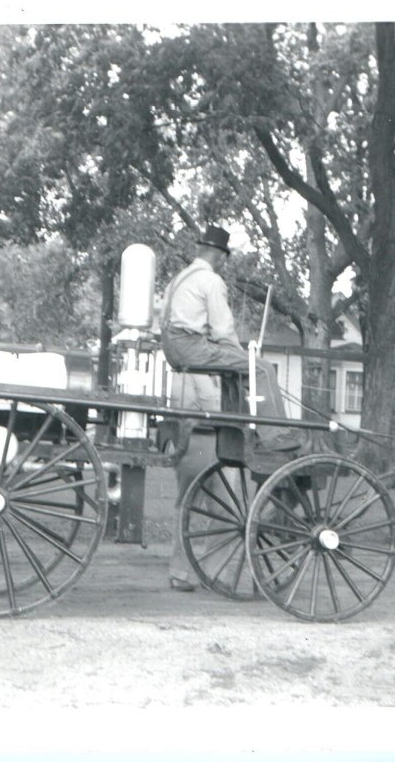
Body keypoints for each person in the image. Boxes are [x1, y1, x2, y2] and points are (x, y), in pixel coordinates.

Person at [161, 225, 299, 452]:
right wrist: (246, 358)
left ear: (200, 250)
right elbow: (223, 332)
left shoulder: (179, 278)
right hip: (189, 347)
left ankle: (234, 428)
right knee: (262, 370)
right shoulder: (211, 281)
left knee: (234, 368)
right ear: (222, 258)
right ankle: (275, 436)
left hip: (171, 348)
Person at [167, 370, 220, 592]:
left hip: (226, 443)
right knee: (187, 506)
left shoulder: (224, 368)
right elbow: (183, 412)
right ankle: (180, 573)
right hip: (196, 442)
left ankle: (214, 574)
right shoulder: (187, 369)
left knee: (227, 512)